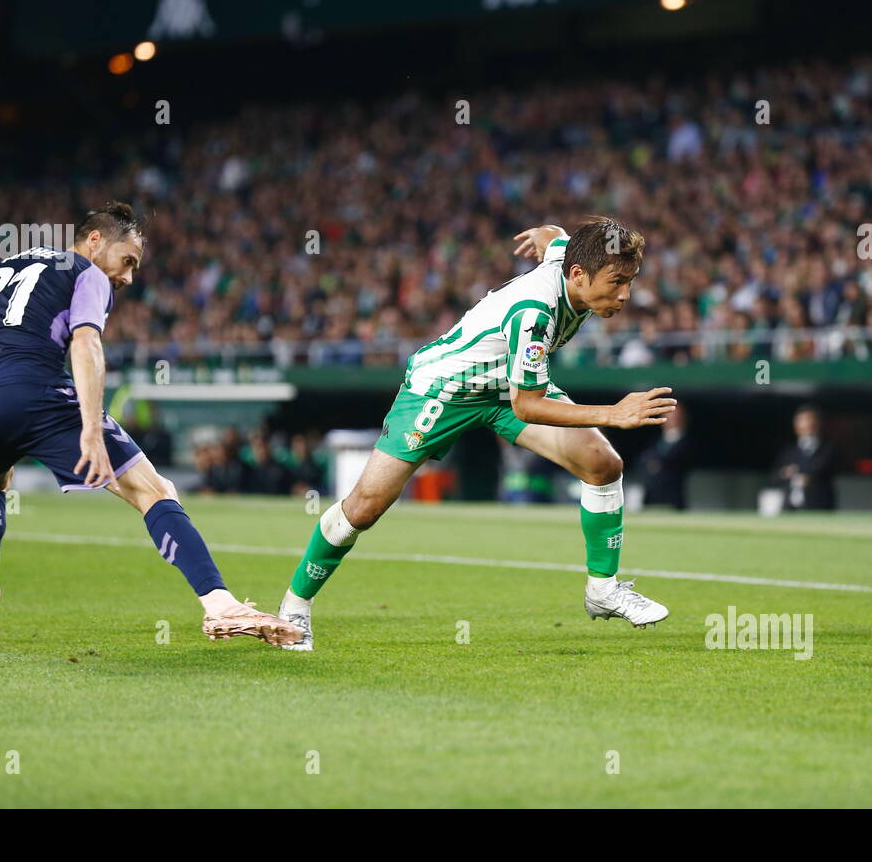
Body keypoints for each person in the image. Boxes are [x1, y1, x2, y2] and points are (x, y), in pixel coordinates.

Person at [273, 217, 676, 650]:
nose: (625, 295)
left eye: (630, 282)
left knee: (602, 464)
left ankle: (603, 589)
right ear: (578, 275)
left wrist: (542, 234)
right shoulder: (534, 313)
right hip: (445, 388)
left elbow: (555, 237)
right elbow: (529, 407)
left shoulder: (568, 258)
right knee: (365, 507)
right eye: (617, 282)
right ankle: (295, 606)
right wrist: (614, 414)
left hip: (506, 383)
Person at [0, 202, 300, 647]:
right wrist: (90, 428)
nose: (129, 277)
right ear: (94, 241)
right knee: (153, 490)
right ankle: (219, 604)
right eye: (127, 261)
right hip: (34, 393)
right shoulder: (86, 274)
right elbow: (87, 341)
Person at [770, 405, 837, 511]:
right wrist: (784, 473)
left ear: (818, 423)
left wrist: (800, 473)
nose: (806, 424)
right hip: (789, 507)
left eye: (809, 420)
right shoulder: (789, 451)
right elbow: (774, 476)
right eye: (801, 420)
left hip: (818, 506)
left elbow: (821, 469)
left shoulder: (828, 449)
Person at [636, 401, 692, 509]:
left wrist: (660, 464)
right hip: (651, 498)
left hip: (673, 499)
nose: (671, 420)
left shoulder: (687, 443)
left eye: (674, 416)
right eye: (668, 416)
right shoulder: (654, 442)